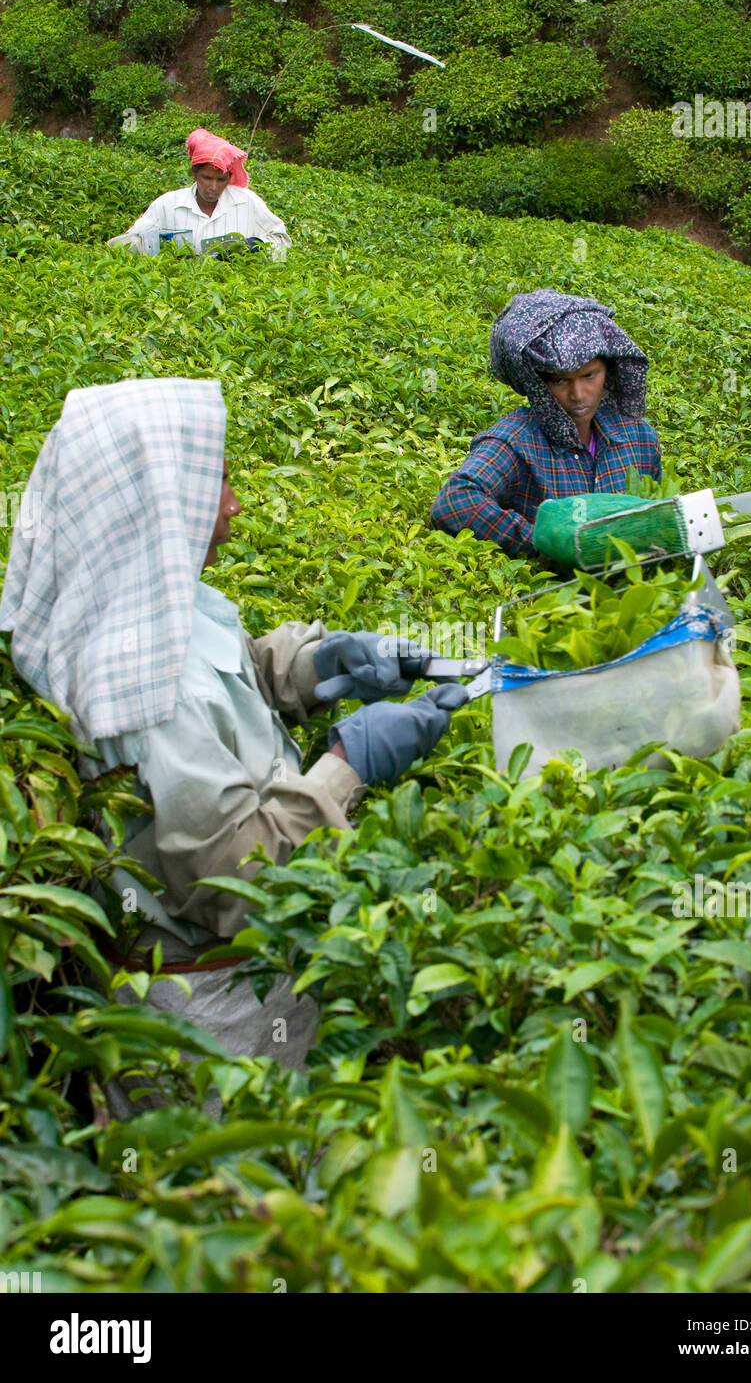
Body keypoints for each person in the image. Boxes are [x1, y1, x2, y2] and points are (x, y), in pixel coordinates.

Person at [0, 377, 466, 1103]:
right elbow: (235, 881)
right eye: (213, 484)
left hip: (240, 983)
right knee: (252, 1162)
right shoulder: (149, 694)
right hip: (215, 1010)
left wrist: (319, 665)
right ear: (156, 501)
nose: (233, 505)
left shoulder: (140, 595)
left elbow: (231, 672)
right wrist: (346, 765)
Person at [430, 291, 662, 559]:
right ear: (537, 382)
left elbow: (658, 522)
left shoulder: (638, 439)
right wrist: (546, 546)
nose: (578, 394)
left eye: (589, 376)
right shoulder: (517, 439)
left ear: (607, 371)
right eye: (559, 381)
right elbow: (455, 502)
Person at [106, 128, 292, 258]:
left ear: (229, 177)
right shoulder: (168, 205)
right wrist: (158, 246)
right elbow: (124, 244)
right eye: (207, 178)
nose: (213, 187)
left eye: (221, 180)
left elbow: (281, 239)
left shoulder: (247, 201)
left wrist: (255, 246)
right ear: (194, 175)